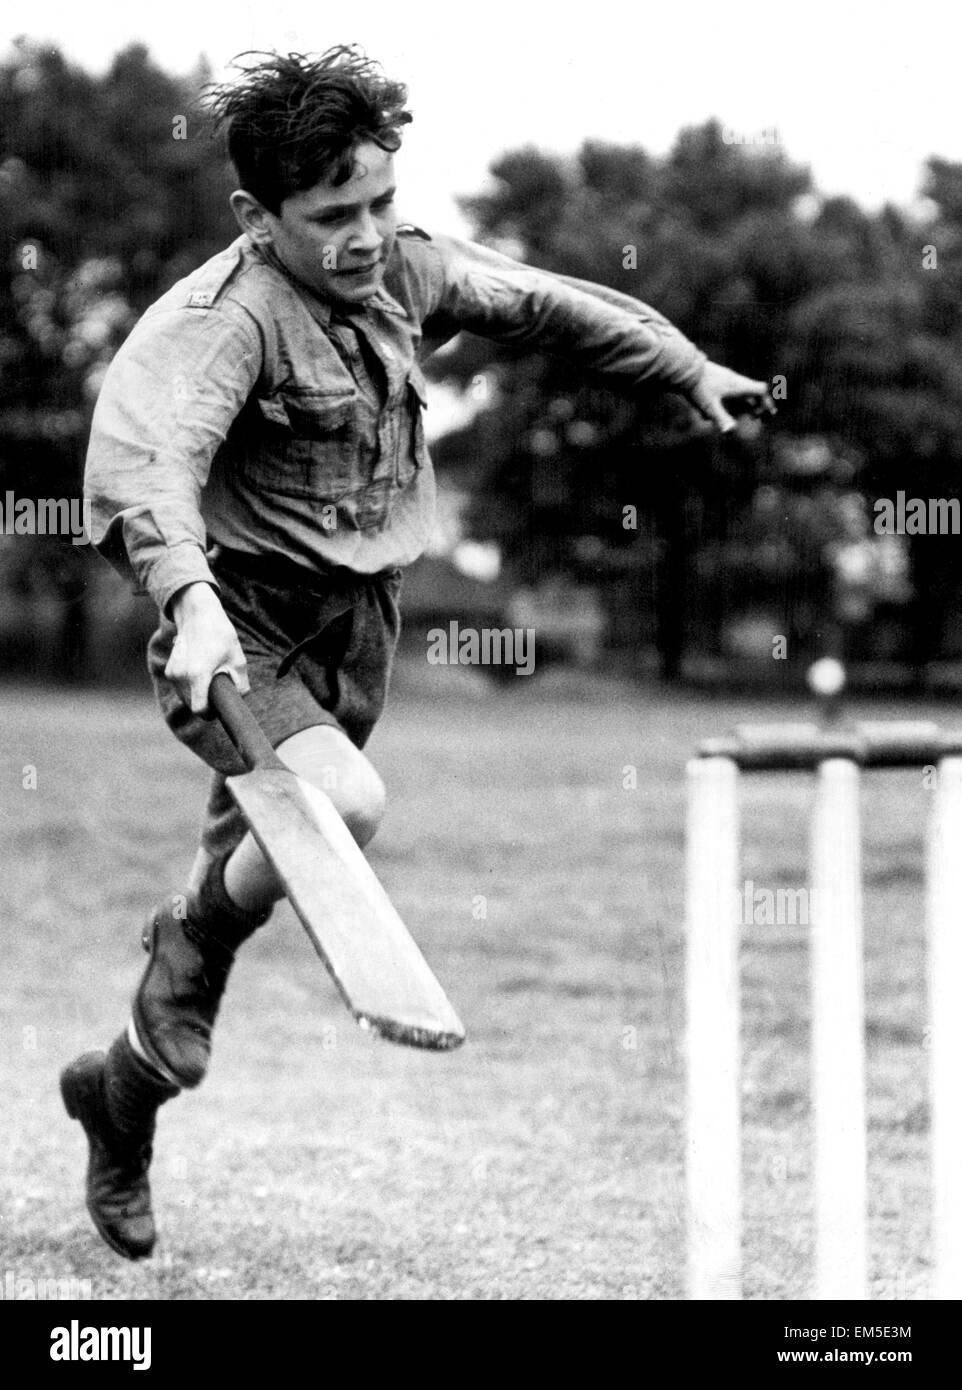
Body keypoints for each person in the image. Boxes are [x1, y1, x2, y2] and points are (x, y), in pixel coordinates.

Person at [62, 45, 775, 1259]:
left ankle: (122, 1088)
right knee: (341, 804)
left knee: (267, 872)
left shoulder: (408, 272)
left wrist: (687, 369)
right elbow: (146, 466)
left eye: (381, 201)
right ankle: (178, 957)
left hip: (357, 639)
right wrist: (188, 604)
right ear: (256, 215)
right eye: (331, 214)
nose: (364, 233)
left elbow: (553, 305)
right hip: (237, 634)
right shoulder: (221, 324)